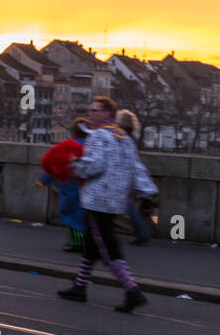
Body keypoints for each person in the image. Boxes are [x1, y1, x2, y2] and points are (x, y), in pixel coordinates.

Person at [57, 96, 158, 313]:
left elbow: (94, 166)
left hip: (97, 200)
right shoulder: (124, 137)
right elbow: (136, 168)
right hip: (116, 200)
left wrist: (71, 165)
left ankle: (132, 291)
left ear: (107, 115)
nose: (91, 114)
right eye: (90, 110)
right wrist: (147, 192)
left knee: (106, 246)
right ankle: (80, 287)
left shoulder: (100, 136)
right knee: (93, 245)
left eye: (95, 110)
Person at [39, 117, 90, 253]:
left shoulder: (68, 146)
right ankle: (84, 242)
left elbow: (54, 163)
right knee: (83, 217)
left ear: (74, 131)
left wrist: (43, 181)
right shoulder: (92, 145)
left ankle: (77, 243)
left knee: (73, 218)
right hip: (88, 187)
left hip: (70, 186)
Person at [116, 109, 151, 245]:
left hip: (122, 176)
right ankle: (142, 233)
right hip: (130, 176)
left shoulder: (122, 137)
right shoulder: (132, 138)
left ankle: (142, 234)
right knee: (128, 206)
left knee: (127, 207)